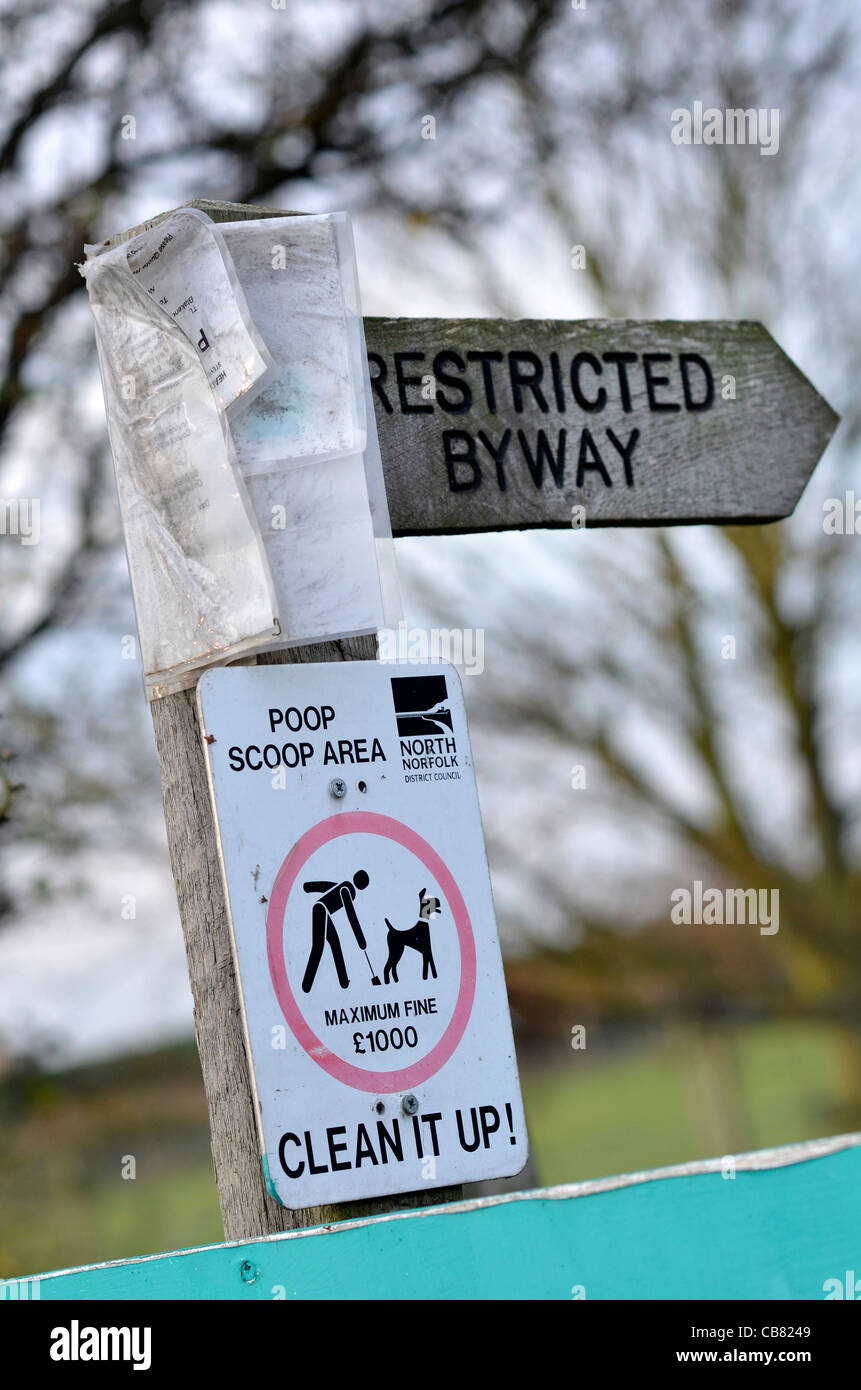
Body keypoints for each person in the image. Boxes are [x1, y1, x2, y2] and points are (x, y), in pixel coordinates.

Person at [301, 870, 370, 993]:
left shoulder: (344, 886)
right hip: (321, 910)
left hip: (323, 911)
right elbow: (351, 915)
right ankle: (306, 985)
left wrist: (308, 887)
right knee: (318, 947)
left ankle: (343, 982)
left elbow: (326, 887)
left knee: (335, 942)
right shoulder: (346, 890)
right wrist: (361, 942)